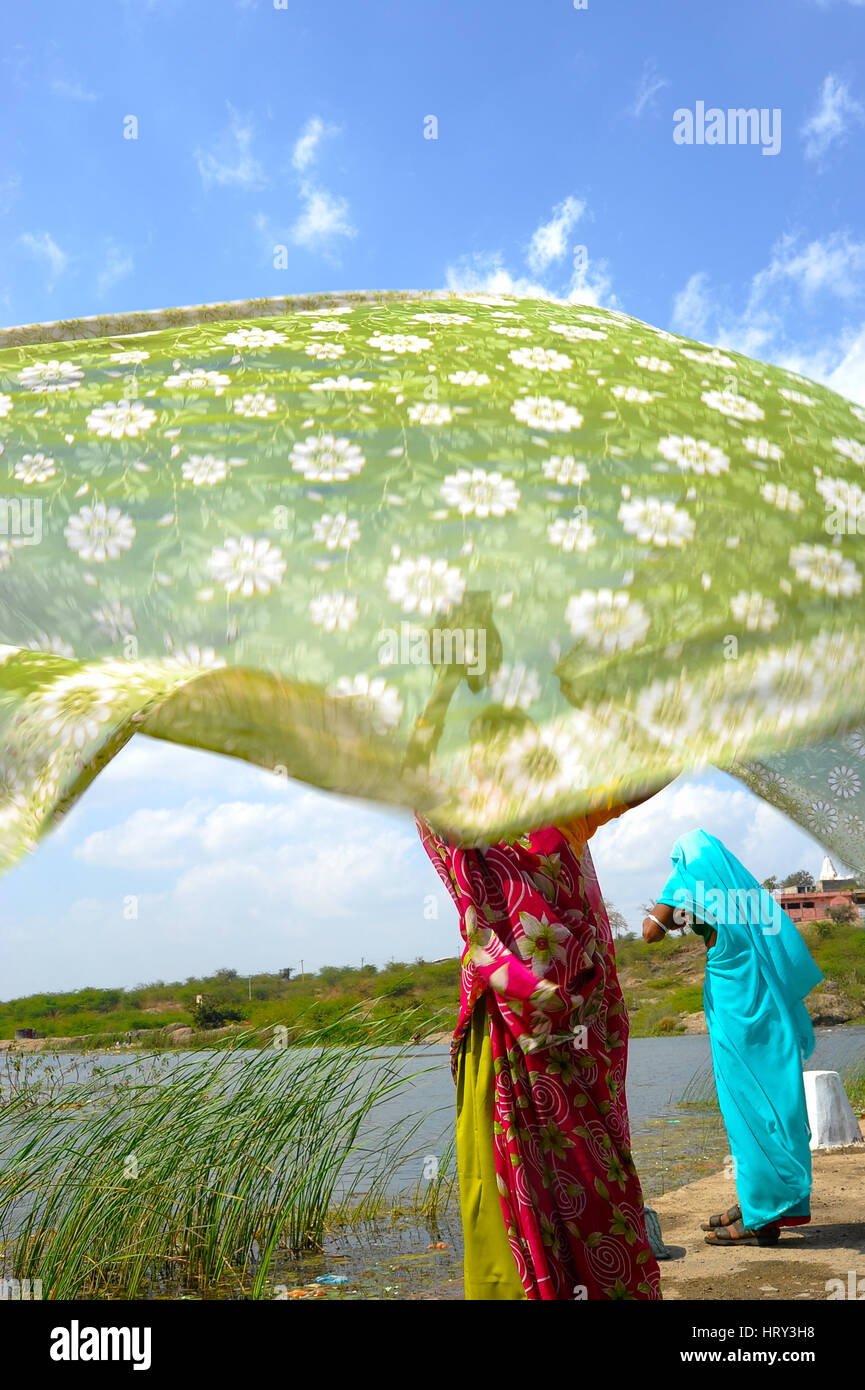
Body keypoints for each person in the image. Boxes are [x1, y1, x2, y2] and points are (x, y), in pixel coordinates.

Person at [416, 801, 661, 1301]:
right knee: (587, 1179)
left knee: (538, 1182)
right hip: (525, 1017)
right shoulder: (552, 797)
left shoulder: (450, 789)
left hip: (508, 1007)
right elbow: (637, 774)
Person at [642, 829, 823, 1247]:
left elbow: (652, 932)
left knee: (743, 1104)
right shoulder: (740, 890)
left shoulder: (686, 883)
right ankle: (761, 1200)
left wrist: (666, 905)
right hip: (764, 1001)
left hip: (732, 1003)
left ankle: (762, 1216)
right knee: (772, 1098)